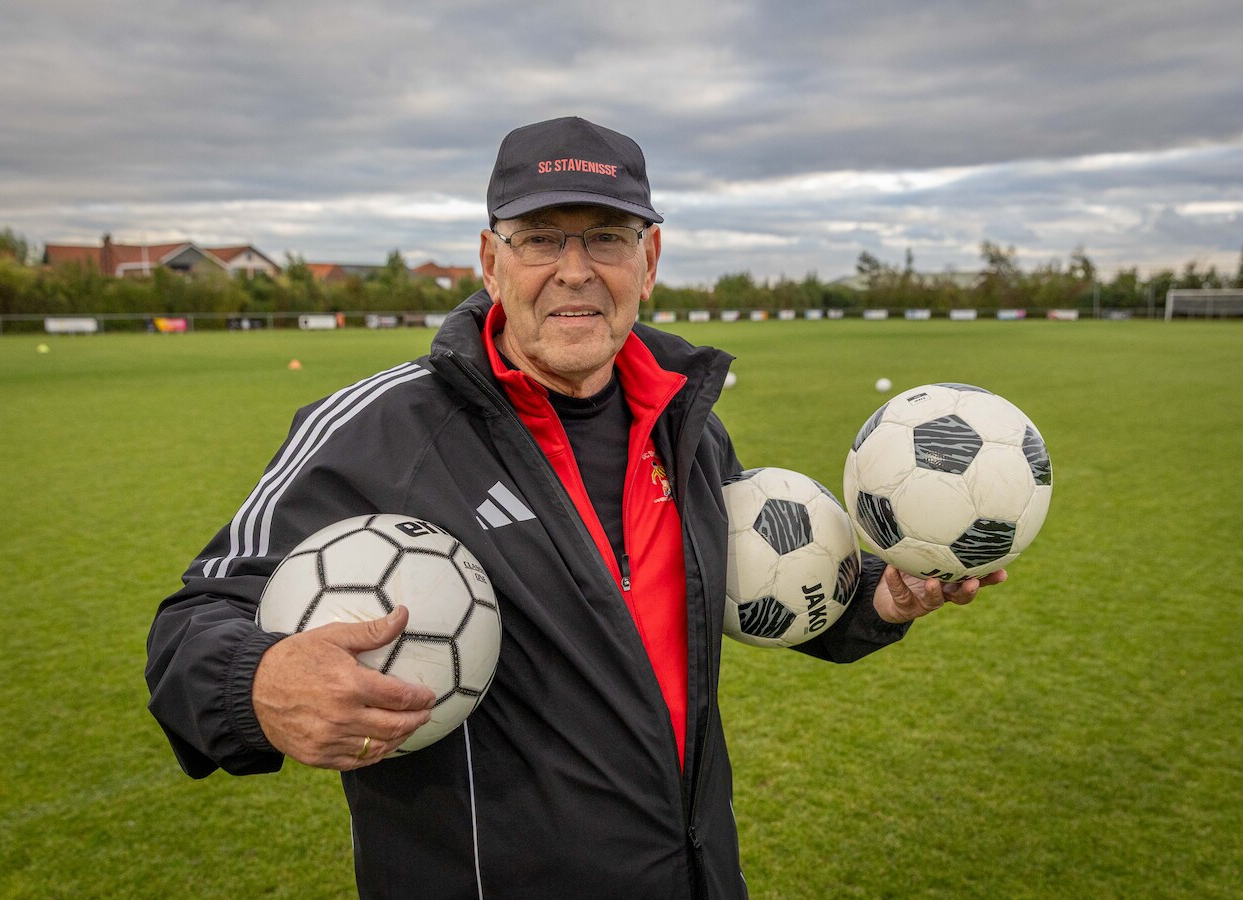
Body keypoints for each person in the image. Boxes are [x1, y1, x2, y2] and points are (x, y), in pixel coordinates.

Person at [145, 116, 1005, 900]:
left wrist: (881, 602)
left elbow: (763, 593)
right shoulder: (378, 432)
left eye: (606, 237)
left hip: (697, 874)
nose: (575, 270)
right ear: (490, 260)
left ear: (650, 260)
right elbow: (193, 625)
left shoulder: (689, 429)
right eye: (540, 239)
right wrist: (254, 683)